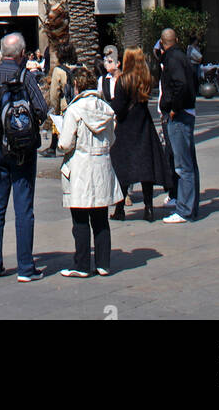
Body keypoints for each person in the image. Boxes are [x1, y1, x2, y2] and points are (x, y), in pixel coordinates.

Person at [0, 31, 48, 281]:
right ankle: (26, 268)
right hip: (23, 151)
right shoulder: (26, 77)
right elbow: (41, 109)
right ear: (22, 55)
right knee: (24, 207)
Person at [57, 65, 122, 276]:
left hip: (80, 166)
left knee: (80, 218)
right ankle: (103, 263)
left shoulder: (74, 110)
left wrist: (60, 139)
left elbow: (66, 143)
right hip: (101, 164)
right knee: (101, 217)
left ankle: (82, 264)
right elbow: (112, 139)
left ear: (77, 86)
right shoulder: (106, 109)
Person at [107, 47, 166, 222]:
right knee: (145, 166)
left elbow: (117, 107)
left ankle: (119, 209)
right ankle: (149, 208)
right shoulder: (147, 78)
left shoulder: (123, 80)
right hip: (143, 124)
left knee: (123, 167)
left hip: (126, 126)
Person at [158, 28, 200, 223]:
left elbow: (180, 84)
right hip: (186, 112)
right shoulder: (182, 56)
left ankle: (184, 209)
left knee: (183, 165)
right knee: (188, 163)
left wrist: (174, 107)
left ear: (162, 42)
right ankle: (190, 205)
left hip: (180, 115)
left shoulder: (172, 59)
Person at [42, 48, 75, 156]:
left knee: (59, 126)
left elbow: (54, 93)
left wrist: (55, 109)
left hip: (65, 105)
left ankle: (53, 148)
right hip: (78, 103)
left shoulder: (59, 70)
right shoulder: (81, 66)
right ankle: (53, 147)